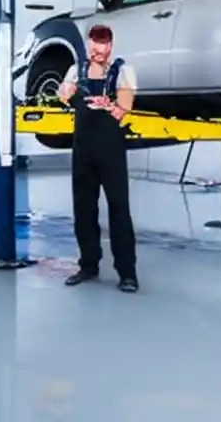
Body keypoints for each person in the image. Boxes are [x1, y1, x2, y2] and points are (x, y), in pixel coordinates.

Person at [57, 24, 139, 293]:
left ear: (110, 46)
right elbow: (64, 95)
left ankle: (127, 273)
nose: (97, 50)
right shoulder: (76, 70)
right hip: (83, 149)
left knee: (118, 207)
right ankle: (88, 265)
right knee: (83, 208)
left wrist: (110, 106)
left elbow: (124, 108)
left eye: (101, 45)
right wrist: (65, 93)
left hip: (110, 149)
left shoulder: (122, 71)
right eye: (93, 45)